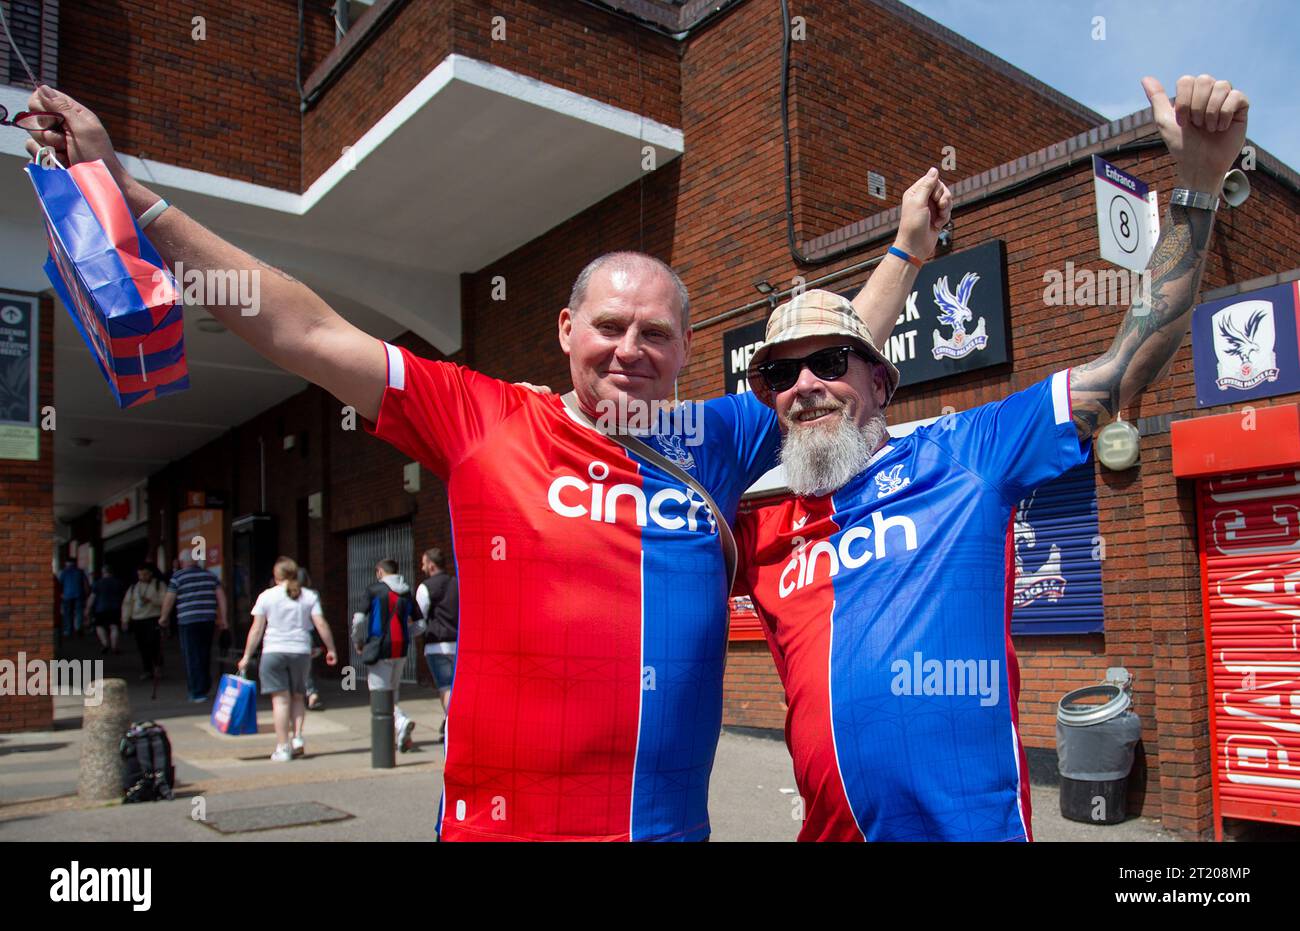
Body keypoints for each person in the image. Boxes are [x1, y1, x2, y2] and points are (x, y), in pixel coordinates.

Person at [21, 87, 948, 840]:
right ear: (565, 331)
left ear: (684, 348)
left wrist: (908, 245)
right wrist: (129, 193)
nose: (630, 349)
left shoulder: (716, 436)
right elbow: (303, 327)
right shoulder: (480, 416)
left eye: (655, 334)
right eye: (609, 327)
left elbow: (832, 349)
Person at [734, 74, 1248, 842]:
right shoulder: (759, 519)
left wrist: (1200, 184)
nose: (805, 385)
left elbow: (1126, 364)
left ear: (879, 378)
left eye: (831, 362)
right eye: (780, 373)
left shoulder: (964, 454)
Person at [237, 556, 339, 761]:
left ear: (275, 576)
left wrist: (247, 655)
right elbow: (321, 624)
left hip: (273, 651)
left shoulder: (266, 596)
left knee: (281, 702)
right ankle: (298, 738)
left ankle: (283, 747)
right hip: (301, 651)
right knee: (298, 697)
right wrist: (331, 648)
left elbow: (257, 629)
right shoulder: (309, 596)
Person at [351, 559, 422, 753]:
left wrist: (358, 641)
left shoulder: (374, 590)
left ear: (380, 572)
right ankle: (397, 737)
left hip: (379, 647)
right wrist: (407, 634)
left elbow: (358, 620)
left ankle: (401, 721)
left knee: (380, 693)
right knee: (394, 692)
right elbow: (421, 624)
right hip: (401, 648)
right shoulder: (407, 591)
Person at [160, 555, 228, 702]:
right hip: (208, 620)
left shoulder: (178, 577)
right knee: (204, 653)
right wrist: (223, 618)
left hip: (188, 621)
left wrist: (164, 617)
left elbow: (169, 598)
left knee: (191, 656)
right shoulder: (210, 575)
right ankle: (204, 685)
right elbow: (221, 597)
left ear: (183, 562)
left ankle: (197, 691)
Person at [415, 548, 458, 742]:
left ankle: (453, 724)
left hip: (436, 645)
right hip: (458, 644)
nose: (422, 567)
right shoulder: (457, 583)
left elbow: (419, 617)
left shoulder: (425, 587)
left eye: (424, 563)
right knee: (457, 687)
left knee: (445, 687)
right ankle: (453, 722)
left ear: (431, 565)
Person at [121, 563, 166, 682]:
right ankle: (147, 669)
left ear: (150, 573)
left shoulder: (158, 585)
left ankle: (157, 666)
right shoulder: (134, 587)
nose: (142, 577)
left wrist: (152, 600)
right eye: (140, 574)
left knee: (154, 643)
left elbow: (165, 600)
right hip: (137, 620)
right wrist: (125, 619)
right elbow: (127, 604)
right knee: (142, 646)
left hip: (153, 618)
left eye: (145, 574)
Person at [85, 565, 125, 654]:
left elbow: (92, 597)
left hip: (100, 608)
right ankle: (114, 647)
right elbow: (124, 597)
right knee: (114, 627)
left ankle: (105, 644)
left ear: (103, 572)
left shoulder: (98, 583)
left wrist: (87, 609)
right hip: (115, 608)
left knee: (99, 626)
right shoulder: (118, 582)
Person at [56, 558, 89, 638]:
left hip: (67, 596)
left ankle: (68, 630)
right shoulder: (80, 571)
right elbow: (85, 584)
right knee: (79, 612)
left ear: (67, 563)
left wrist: (60, 594)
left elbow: (59, 584)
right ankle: (78, 628)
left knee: (68, 614)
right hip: (79, 595)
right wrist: (86, 594)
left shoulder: (64, 572)